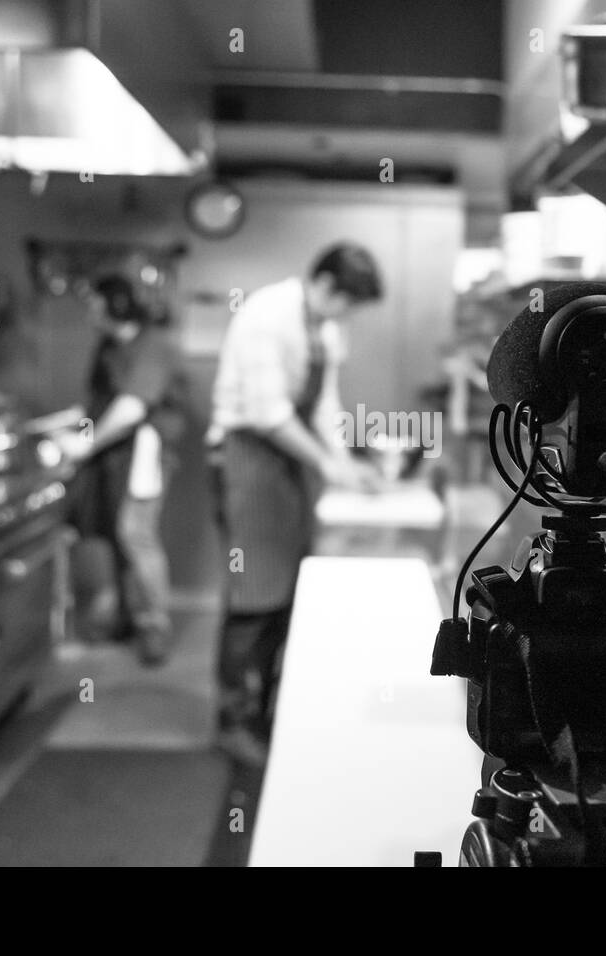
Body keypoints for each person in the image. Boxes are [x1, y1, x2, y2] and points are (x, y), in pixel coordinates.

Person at [207, 243, 384, 764]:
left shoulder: (325, 328)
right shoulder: (266, 316)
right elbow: (267, 415)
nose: (348, 315)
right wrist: (327, 466)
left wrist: (345, 462)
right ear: (326, 285)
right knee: (252, 595)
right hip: (246, 458)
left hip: (285, 464)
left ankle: (267, 711)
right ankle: (232, 720)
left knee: (284, 593)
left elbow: (324, 404)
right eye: (348, 302)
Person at [61, 274, 189, 666]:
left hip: (145, 456)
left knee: (136, 535)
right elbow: (100, 402)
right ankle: (126, 616)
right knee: (117, 537)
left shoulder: (154, 346)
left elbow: (133, 407)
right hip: (113, 458)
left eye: (96, 304)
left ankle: (154, 626)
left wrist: (86, 442)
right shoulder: (110, 348)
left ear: (114, 305)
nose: (91, 313)